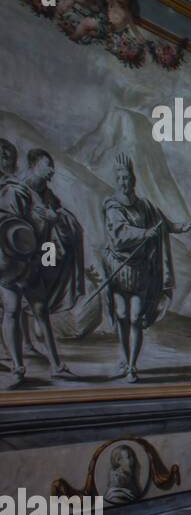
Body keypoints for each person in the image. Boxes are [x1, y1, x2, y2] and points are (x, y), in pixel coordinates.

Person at [101, 153, 191, 384]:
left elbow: (162, 224)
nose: (124, 182)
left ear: (133, 180)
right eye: (120, 178)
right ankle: (124, 359)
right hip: (118, 269)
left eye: (127, 178)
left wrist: (180, 228)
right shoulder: (112, 206)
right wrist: (144, 233)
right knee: (121, 315)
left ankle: (133, 365)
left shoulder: (144, 206)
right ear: (116, 180)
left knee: (135, 318)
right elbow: (119, 235)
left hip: (140, 273)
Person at [0, 148, 84, 387]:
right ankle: (18, 369)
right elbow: (7, 228)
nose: (52, 170)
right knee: (12, 310)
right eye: (48, 165)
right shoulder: (14, 191)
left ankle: (57, 366)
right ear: (35, 164)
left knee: (41, 311)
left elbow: (56, 232)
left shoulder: (48, 197)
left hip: (33, 265)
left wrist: (55, 220)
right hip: (11, 264)